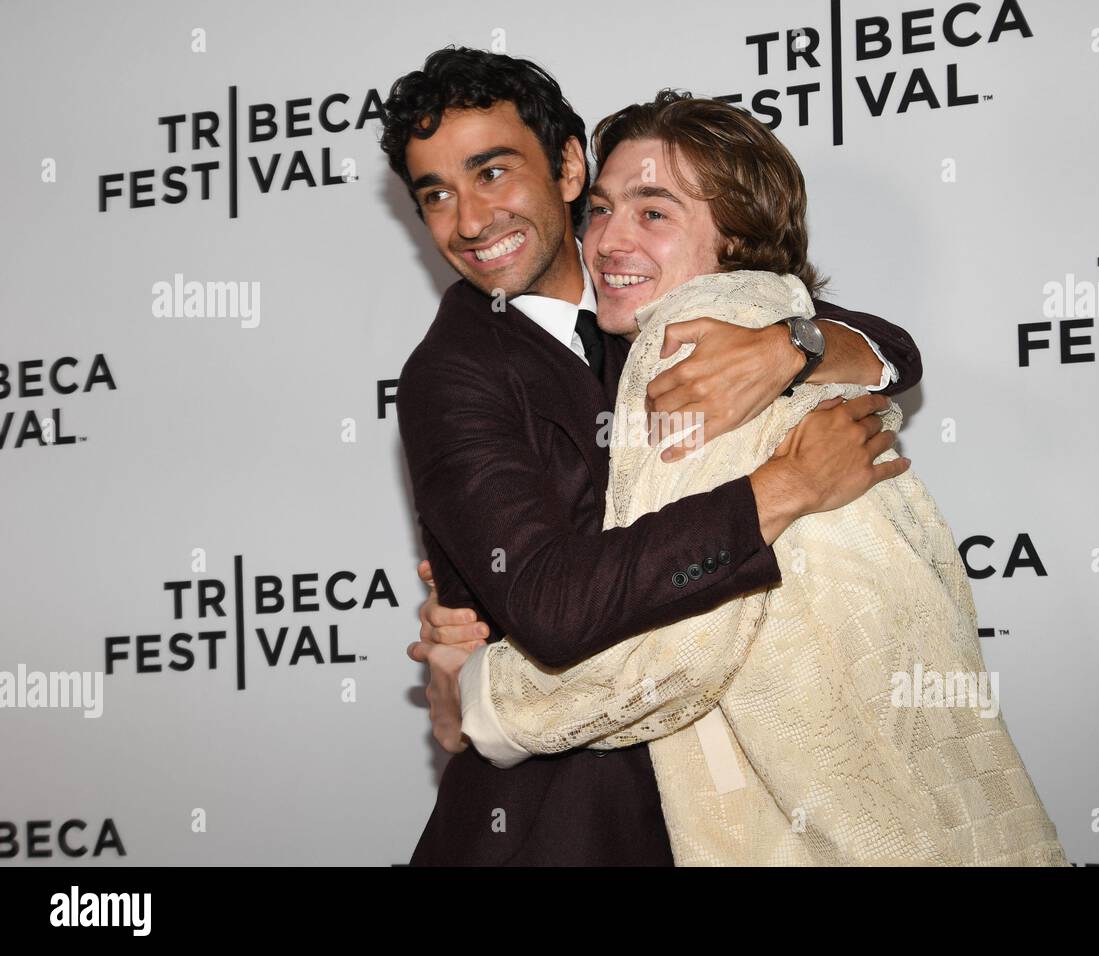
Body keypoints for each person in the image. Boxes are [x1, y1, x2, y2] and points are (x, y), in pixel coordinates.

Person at [432, 91, 1068, 865]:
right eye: (604, 211)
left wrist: (477, 699)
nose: (608, 240)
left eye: (653, 212)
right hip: (899, 802)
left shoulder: (700, 346)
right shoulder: (737, 329)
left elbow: (672, 649)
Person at [383, 47, 921, 865]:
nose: (469, 220)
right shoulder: (450, 376)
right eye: (437, 195)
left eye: (492, 173)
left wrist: (794, 347)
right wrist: (782, 489)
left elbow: (891, 347)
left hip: (734, 807)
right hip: (565, 823)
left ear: (568, 167)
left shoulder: (660, 294)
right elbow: (553, 608)